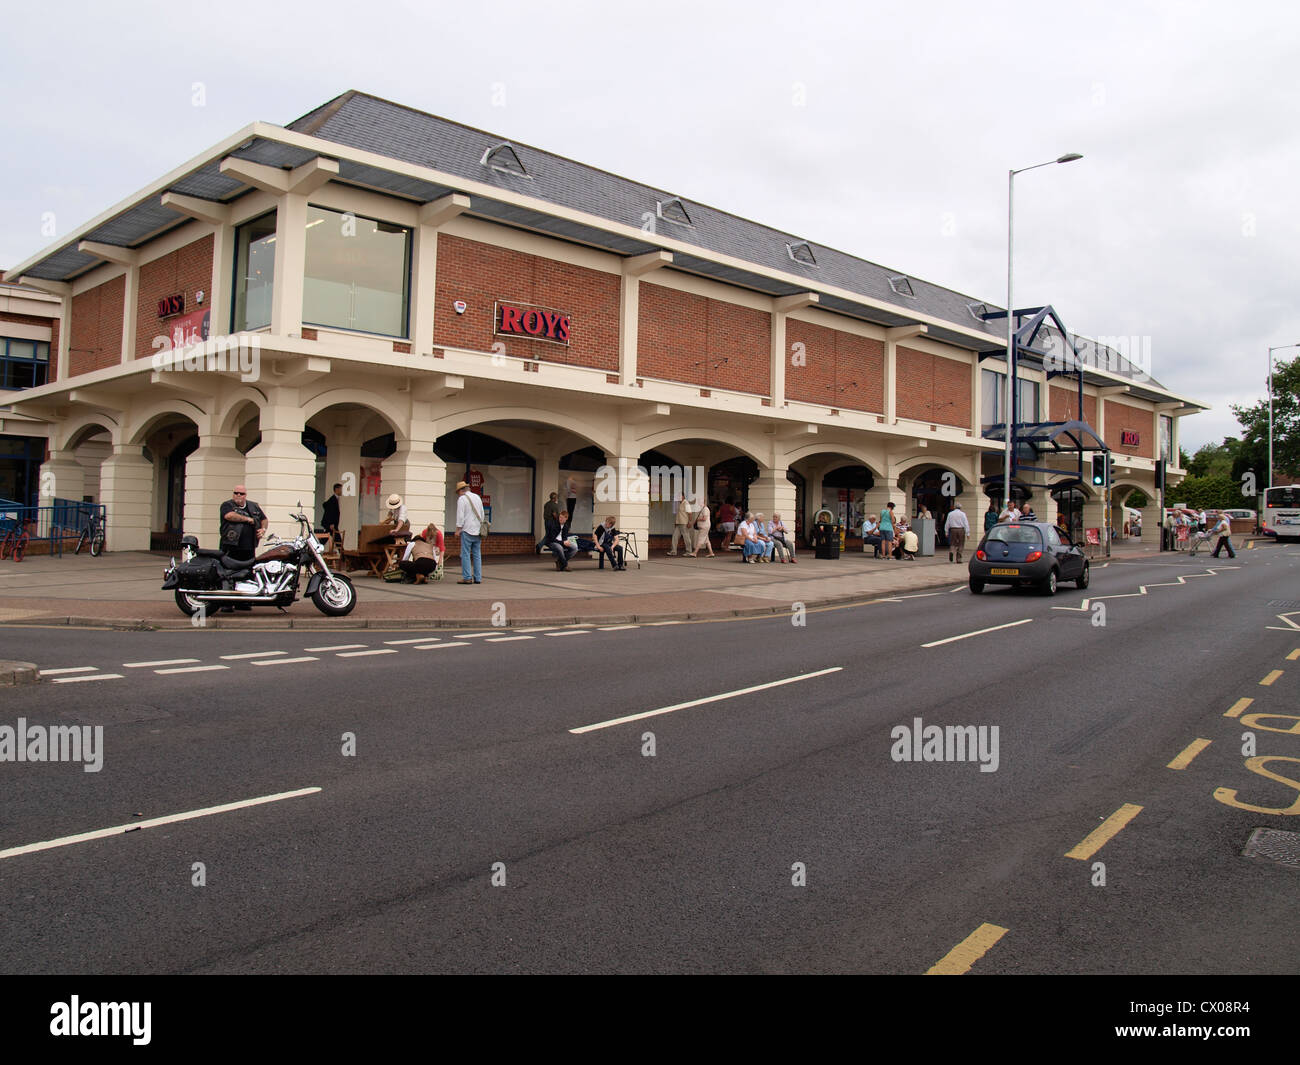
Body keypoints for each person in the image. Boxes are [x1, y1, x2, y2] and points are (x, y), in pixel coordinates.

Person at [219, 484, 266, 611]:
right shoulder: (227, 505)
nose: (238, 495)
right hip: (231, 545)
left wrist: (263, 529)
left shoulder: (253, 506)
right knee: (228, 574)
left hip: (249, 547)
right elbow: (229, 516)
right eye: (236, 493)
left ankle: (243, 602)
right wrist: (248, 519)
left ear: (246, 495)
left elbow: (264, 519)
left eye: (241, 494)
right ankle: (226, 603)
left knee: (247, 574)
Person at [454, 480, 485, 584]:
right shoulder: (477, 497)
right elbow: (482, 513)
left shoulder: (462, 499)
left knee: (465, 554)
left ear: (461, 490)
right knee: (477, 554)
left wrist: (458, 529)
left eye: (458, 492)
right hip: (478, 529)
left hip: (467, 529)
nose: (458, 494)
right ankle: (478, 577)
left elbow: (460, 516)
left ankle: (467, 577)